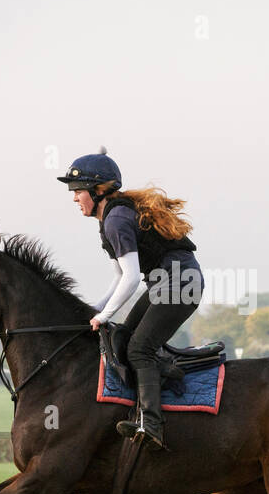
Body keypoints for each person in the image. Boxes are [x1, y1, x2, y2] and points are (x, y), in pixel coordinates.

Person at [58, 148, 204, 451]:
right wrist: (96, 309)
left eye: (77, 191)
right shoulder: (108, 221)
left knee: (139, 349)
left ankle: (150, 425)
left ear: (99, 191)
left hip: (180, 283)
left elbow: (132, 277)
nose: (73, 198)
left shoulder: (116, 220)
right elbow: (119, 277)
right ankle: (167, 371)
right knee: (123, 337)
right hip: (167, 282)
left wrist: (103, 316)